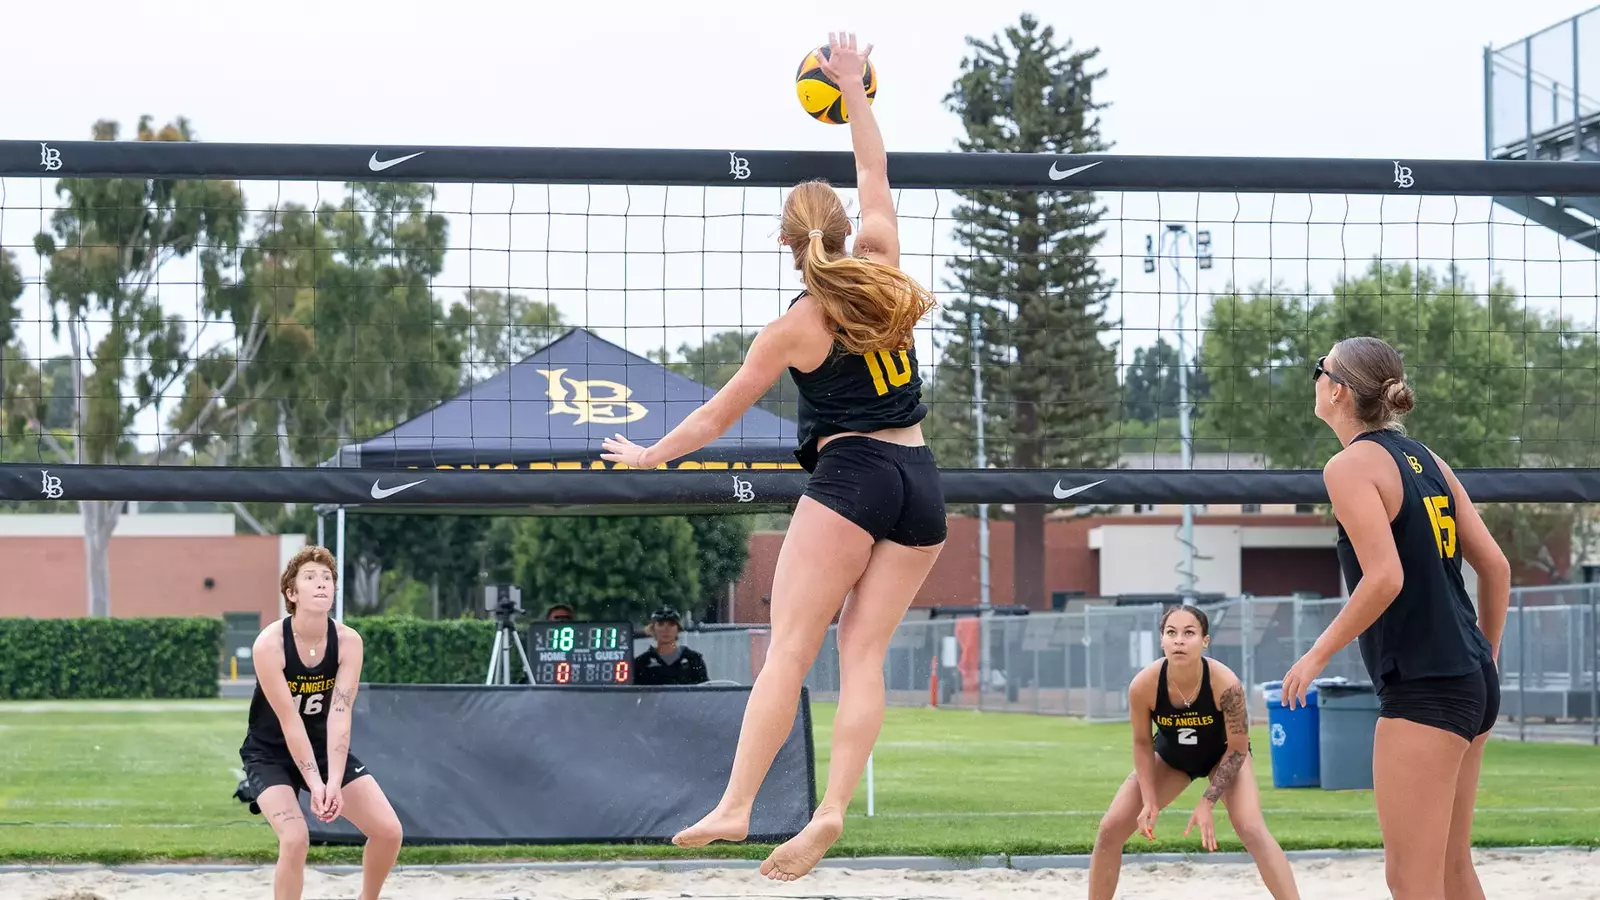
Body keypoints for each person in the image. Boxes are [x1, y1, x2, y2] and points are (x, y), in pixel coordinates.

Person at [600, 31, 944, 881]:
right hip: (921, 484)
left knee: (790, 649)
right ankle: (830, 809)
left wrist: (649, 457)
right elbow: (874, 170)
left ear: (788, 243)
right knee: (862, 657)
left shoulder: (793, 327)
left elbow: (715, 419)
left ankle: (738, 804)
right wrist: (855, 86)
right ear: (839, 231)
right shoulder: (887, 266)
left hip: (853, 478)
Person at [1281, 336, 1510, 900]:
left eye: (1319, 369)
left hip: (1427, 686)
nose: (1314, 378)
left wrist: (1317, 653)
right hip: (1471, 677)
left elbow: (1385, 578)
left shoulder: (1349, 466)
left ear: (1337, 390)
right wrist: (1489, 652)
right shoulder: (1428, 459)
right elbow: (1497, 567)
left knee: (1411, 881)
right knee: (1454, 872)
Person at [1088, 605, 1301, 900]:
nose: (1179, 640)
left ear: (1205, 640)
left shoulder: (1226, 684)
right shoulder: (1143, 686)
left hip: (1223, 757)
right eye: (1171, 633)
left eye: (1189, 633)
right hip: (1172, 759)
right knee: (1110, 830)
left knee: (1252, 829)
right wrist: (1149, 800)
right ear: (1161, 639)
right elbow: (1141, 743)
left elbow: (1239, 749)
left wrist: (1207, 801)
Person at [238, 546, 404, 900]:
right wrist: (315, 784)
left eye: (327, 578)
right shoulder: (269, 644)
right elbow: (289, 720)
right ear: (292, 594)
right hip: (271, 753)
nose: (321, 584)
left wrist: (332, 780)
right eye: (310, 578)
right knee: (296, 839)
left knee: (389, 831)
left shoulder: (348, 642)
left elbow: (340, 716)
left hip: (324, 748)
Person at [633, 607, 710, 686]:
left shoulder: (693, 660)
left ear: (678, 629)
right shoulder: (641, 663)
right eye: (660, 624)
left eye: (671, 624)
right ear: (653, 629)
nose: (666, 629)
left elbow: (705, 693)